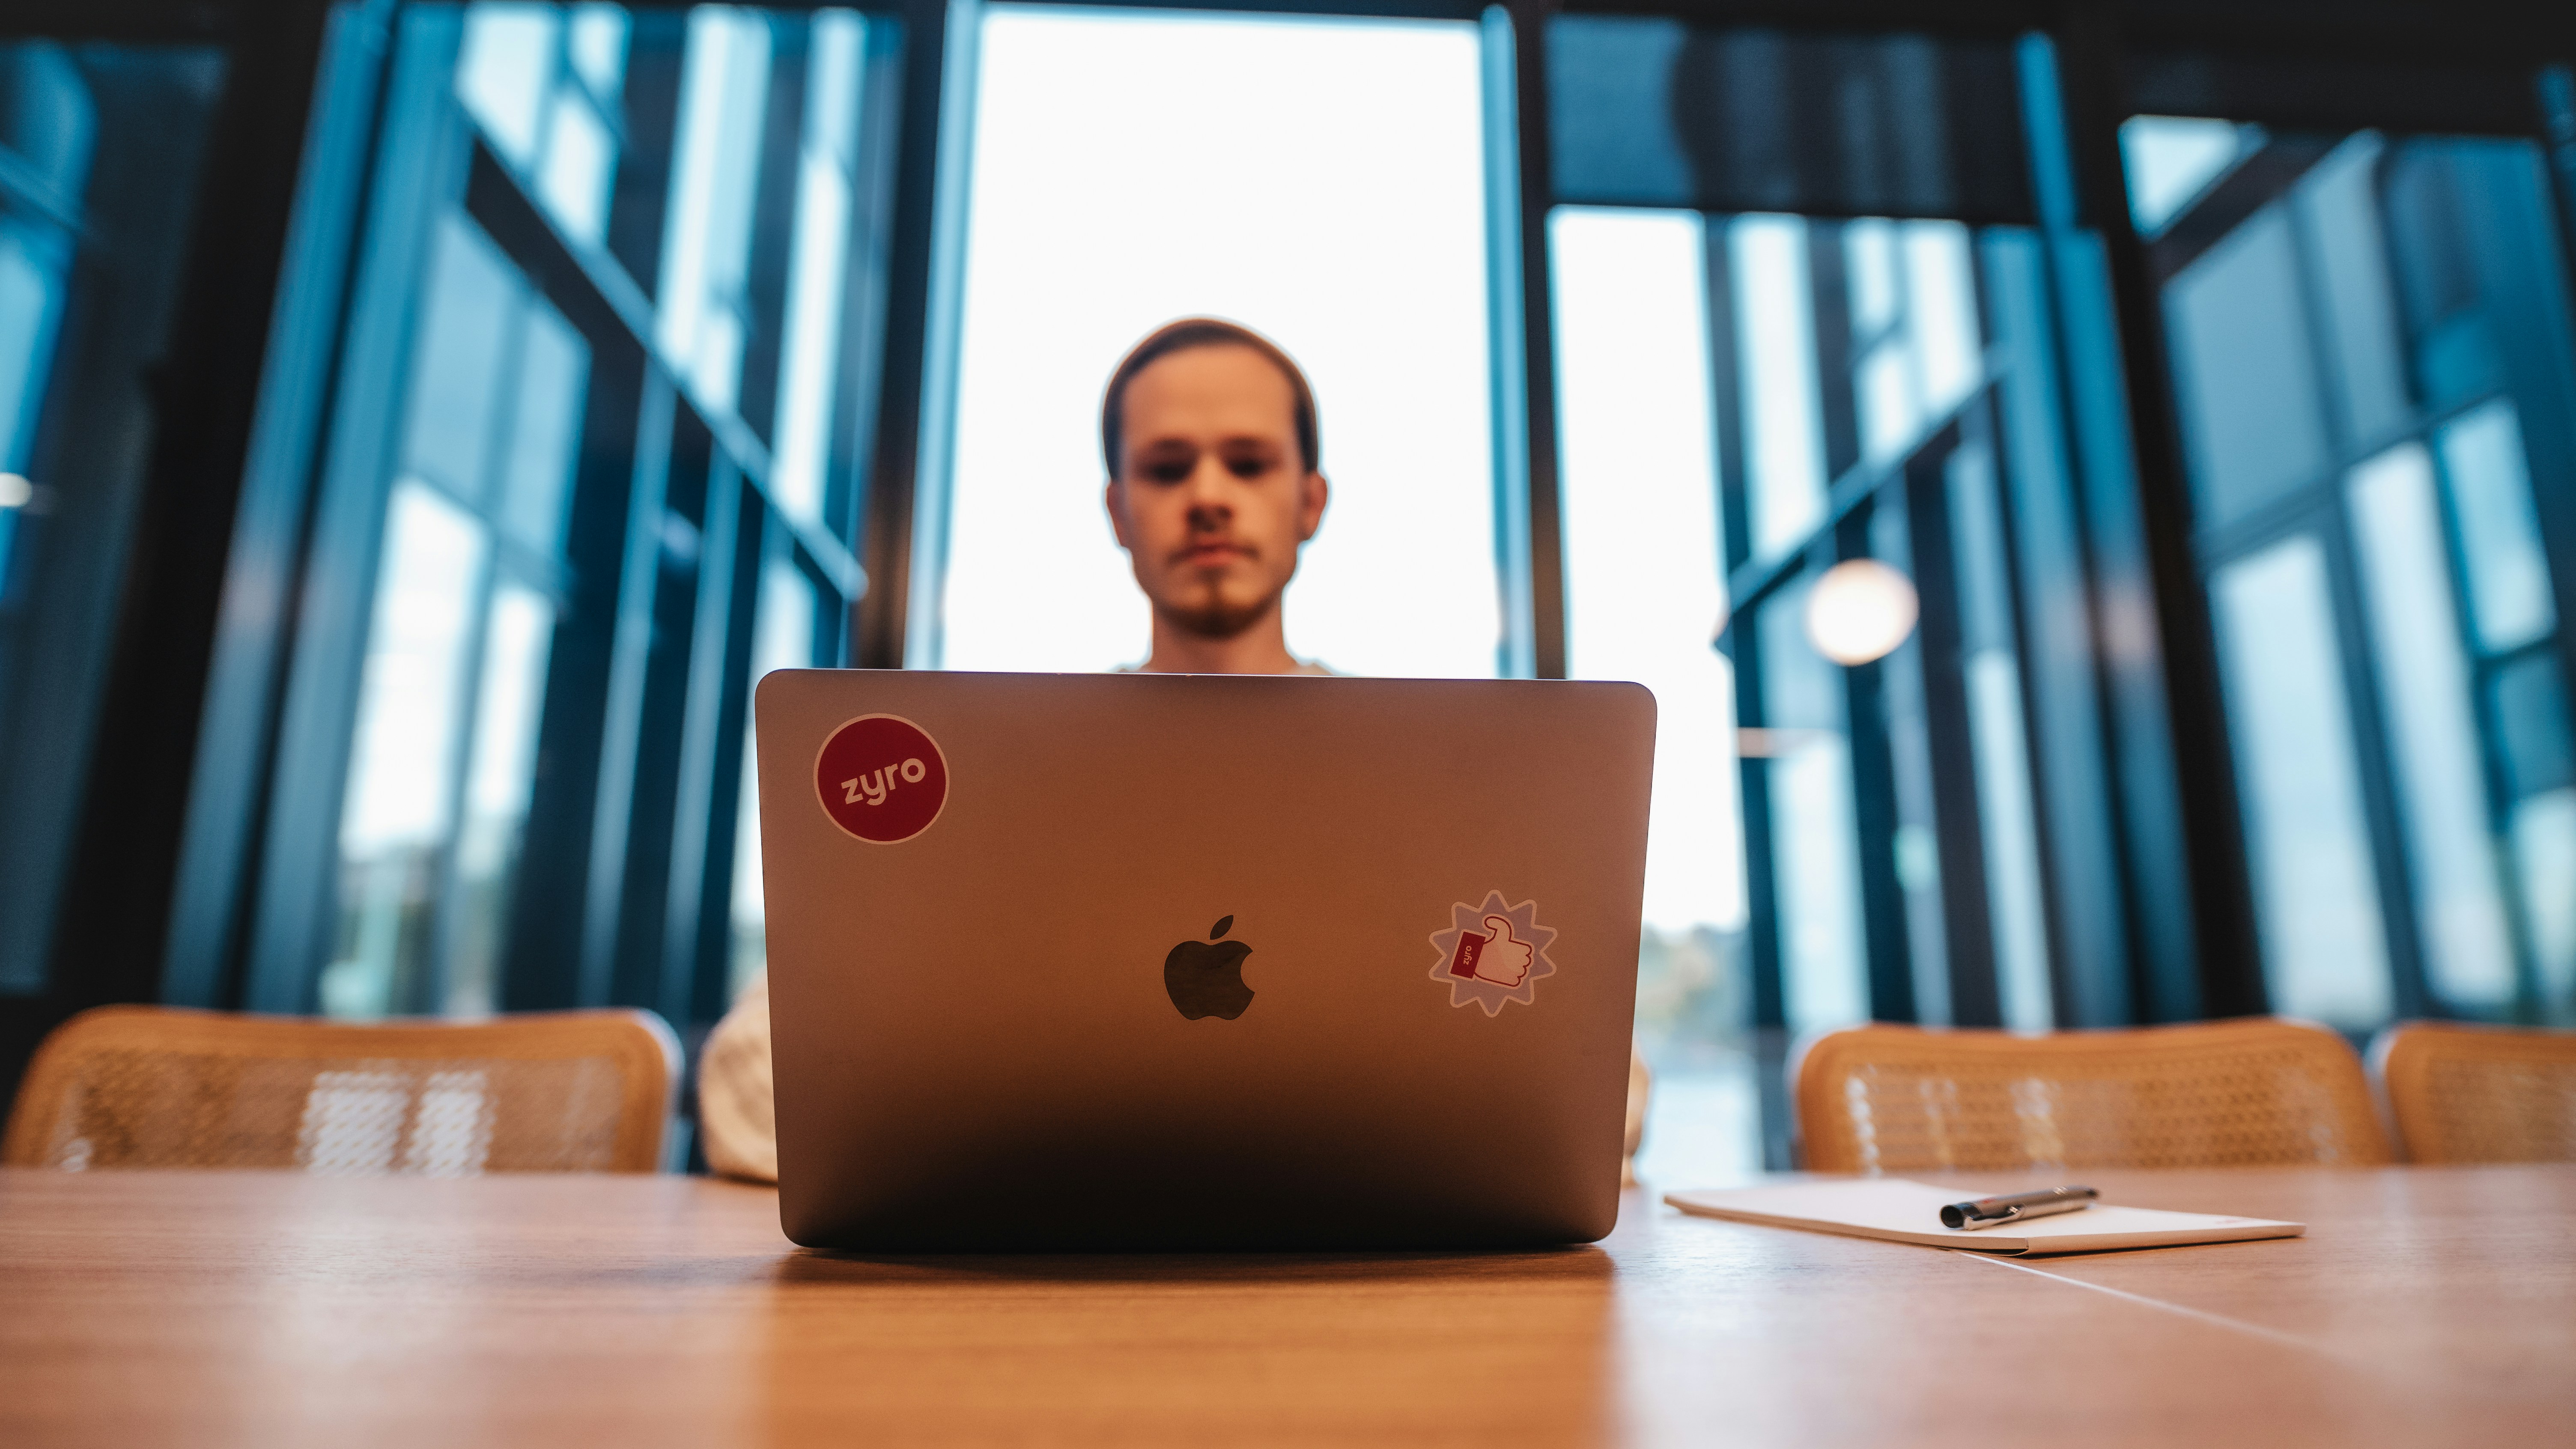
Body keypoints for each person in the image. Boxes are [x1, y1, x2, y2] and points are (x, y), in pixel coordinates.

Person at [698, 318, 1649, 1182]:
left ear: (1309, 502)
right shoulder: (1008, 786)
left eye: (1247, 463)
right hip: (1040, 1296)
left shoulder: (1437, 795)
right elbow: (749, 1079)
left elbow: (1601, 1085)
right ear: (1117, 512)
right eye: (1164, 468)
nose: (1206, 497)